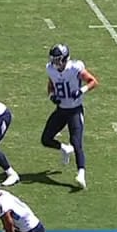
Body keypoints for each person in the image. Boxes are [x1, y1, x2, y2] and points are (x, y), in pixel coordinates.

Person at [42, 44, 98, 190]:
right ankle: (64, 149)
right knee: (46, 139)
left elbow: (93, 81)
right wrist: (52, 96)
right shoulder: (51, 69)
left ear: (65, 59)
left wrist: (81, 90)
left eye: (58, 60)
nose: (55, 63)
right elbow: (51, 86)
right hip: (61, 110)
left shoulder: (75, 68)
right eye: (54, 59)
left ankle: (81, 174)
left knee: (76, 142)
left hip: (74, 111)